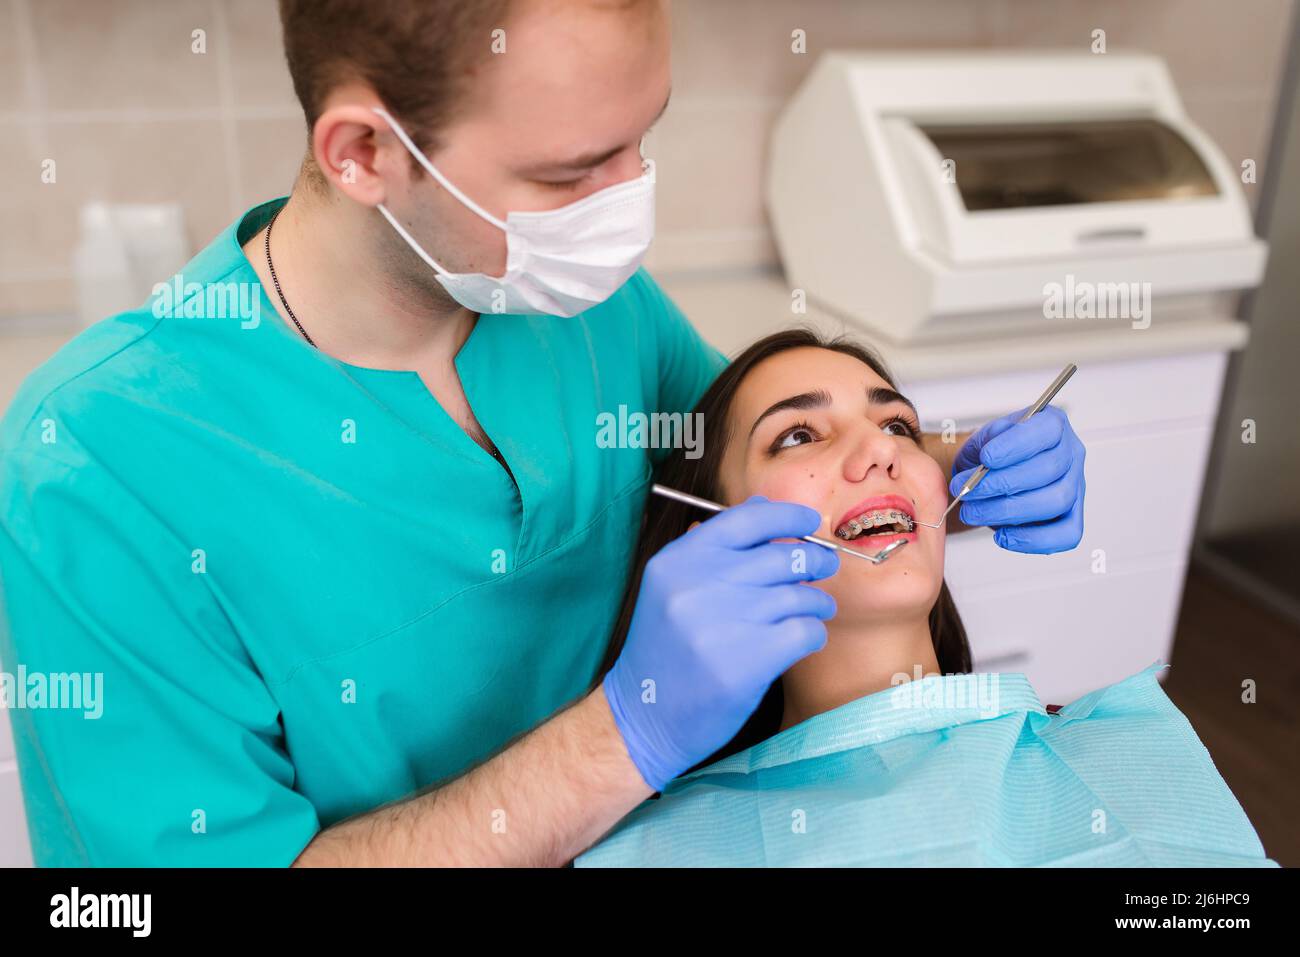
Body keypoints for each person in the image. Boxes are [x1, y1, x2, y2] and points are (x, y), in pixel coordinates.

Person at [0, 0, 1084, 866]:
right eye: (571, 173)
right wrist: (629, 733)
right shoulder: (100, 465)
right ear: (364, 152)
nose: (626, 204)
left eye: (639, 142)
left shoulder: (580, 300)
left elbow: (761, 468)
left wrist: (951, 466)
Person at [578, 329, 1274, 867]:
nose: (882, 454)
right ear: (710, 539)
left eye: (898, 427)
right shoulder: (660, 844)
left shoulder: (1130, 753)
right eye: (798, 435)